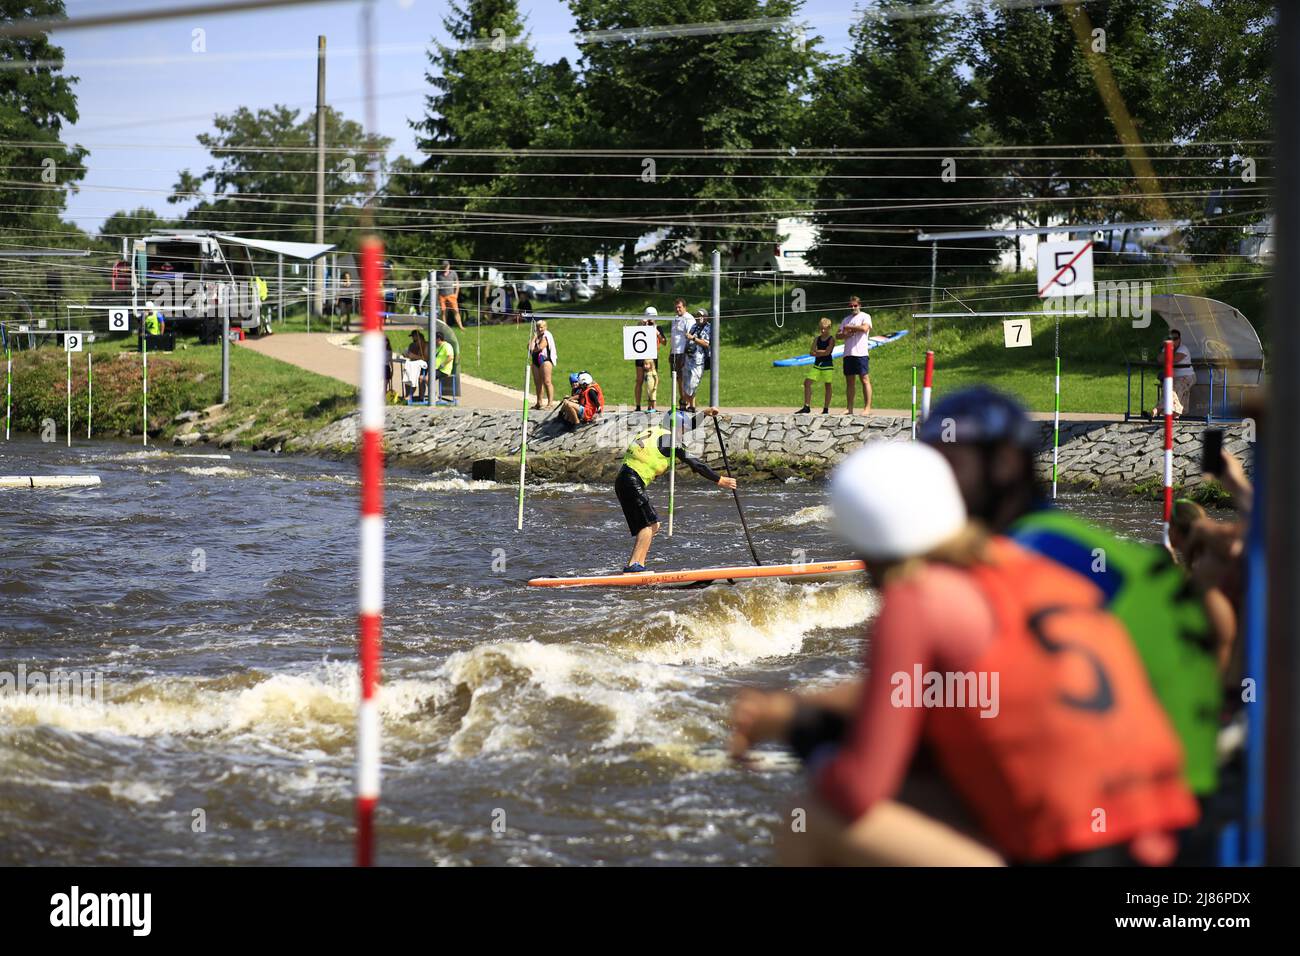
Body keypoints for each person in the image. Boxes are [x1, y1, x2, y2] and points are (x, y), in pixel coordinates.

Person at [733, 440, 1199, 866]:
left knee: (813, 817)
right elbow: (956, 687)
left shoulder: (916, 599)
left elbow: (858, 789)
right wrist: (798, 706)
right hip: (1167, 836)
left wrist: (802, 735)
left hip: (1077, 852)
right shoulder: (1027, 567)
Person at [914, 386, 1225, 810]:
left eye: (949, 467)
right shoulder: (1081, 543)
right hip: (1190, 779)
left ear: (1005, 464)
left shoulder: (1017, 559)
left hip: (1142, 801)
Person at [616, 408, 737, 572]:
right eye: (683, 429)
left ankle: (635, 565)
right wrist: (719, 479)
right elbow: (696, 464)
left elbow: (683, 425)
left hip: (624, 479)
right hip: (632, 481)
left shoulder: (657, 431)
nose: (684, 432)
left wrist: (704, 414)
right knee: (649, 526)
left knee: (653, 525)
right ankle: (634, 567)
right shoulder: (670, 440)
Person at [838, 295, 872, 415]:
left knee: (864, 379)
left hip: (861, 353)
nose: (853, 307)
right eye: (851, 306)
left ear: (859, 305)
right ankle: (849, 408)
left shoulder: (865, 316)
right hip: (848, 353)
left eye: (855, 305)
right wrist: (845, 334)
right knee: (850, 382)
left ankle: (867, 408)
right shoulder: (846, 319)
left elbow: (864, 328)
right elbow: (838, 335)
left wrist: (850, 328)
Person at [798, 317, 836, 415]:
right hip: (817, 365)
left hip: (827, 365)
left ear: (829, 328)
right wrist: (820, 352)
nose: (823, 330)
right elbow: (811, 352)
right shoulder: (817, 339)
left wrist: (817, 352)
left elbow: (828, 352)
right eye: (821, 328)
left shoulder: (831, 339)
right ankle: (806, 406)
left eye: (825, 328)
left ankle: (826, 408)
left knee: (827, 385)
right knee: (807, 383)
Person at [634, 309, 666, 412]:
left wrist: (657, 333)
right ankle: (638, 406)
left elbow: (664, 342)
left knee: (651, 381)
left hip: (652, 357)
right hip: (640, 355)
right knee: (639, 380)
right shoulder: (641, 326)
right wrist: (642, 323)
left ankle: (651, 406)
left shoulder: (658, 328)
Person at [682, 308, 711, 411]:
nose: (700, 317)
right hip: (688, 358)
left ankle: (688, 404)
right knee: (685, 383)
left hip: (699, 360)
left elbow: (706, 343)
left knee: (693, 383)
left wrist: (693, 338)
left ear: (706, 317)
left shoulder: (708, 328)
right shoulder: (694, 326)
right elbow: (687, 339)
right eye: (698, 315)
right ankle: (689, 406)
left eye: (702, 316)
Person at [529, 319, 557, 409]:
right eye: (538, 327)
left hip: (545, 360)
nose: (540, 329)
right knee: (538, 383)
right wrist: (534, 338)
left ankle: (550, 403)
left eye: (541, 327)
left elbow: (540, 347)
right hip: (535, 360)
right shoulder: (536, 336)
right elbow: (529, 347)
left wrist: (533, 347)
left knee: (547, 382)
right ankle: (539, 402)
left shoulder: (546, 336)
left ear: (545, 327)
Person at [668, 300, 690, 404]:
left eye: (679, 307)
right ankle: (682, 400)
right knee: (677, 378)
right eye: (676, 307)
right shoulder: (675, 319)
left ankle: (687, 401)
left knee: (684, 378)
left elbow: (690, 337)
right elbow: (674, 337)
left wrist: (686, 353)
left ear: (684, 307)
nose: (677, 309)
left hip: (683, 352)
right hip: (674, 352)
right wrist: (671, 351)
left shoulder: (688, 318)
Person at [402, 329, 429, 401]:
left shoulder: (426, 345)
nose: (412, 339)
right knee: (407, 374)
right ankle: (408, 394)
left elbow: (426, 358)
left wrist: (414, 356)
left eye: (414, 337)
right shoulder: (412, 345)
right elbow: (409, 354)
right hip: (413, 365)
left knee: (415, 376)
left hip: (424, 367)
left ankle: (415, 395)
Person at [437, 260, 463, 330]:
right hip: (442, 295)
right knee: (443, 311)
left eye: (446, 266)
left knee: (456, 311)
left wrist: (456, 294)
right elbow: (435, 284)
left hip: (451, 295)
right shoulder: (438, 274)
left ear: (449, 266)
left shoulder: (453, 273)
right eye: (444, 266)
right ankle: (444, 327)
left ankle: (461, 326)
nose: (445, 267)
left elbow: (457, 284)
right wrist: (437, 295)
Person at [433, 333, 455, 402]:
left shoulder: (447, 346)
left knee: (429, 378)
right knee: (422, 377)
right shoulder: (438, 346)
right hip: (436, 369)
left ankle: (434, 395)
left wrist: (442, 364)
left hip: (444, 370)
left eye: (434, 339)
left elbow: (451, 357)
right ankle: (423, 396)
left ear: (438, 339)